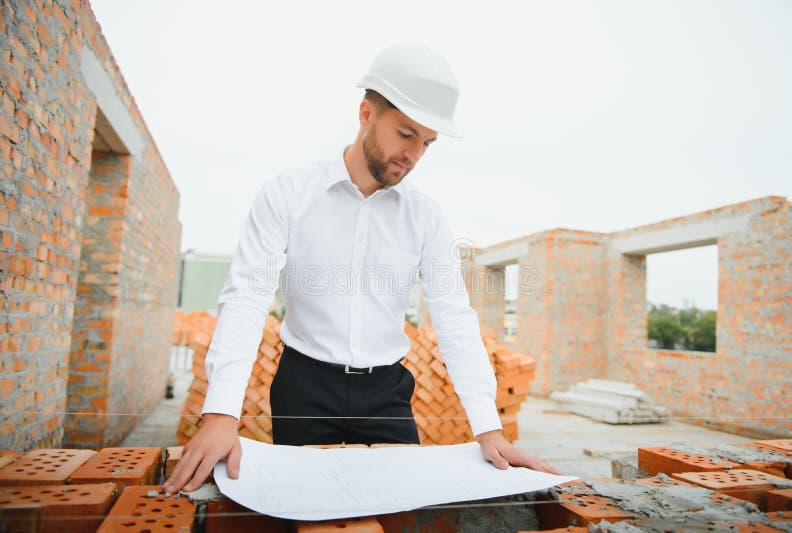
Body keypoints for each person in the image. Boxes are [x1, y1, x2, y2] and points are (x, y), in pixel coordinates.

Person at [164, 43, 559, 494]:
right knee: (307, 512)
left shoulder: (425, 217)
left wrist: (489, 429)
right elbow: (246, 299)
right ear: (366, 113)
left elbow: (453, 317)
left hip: (387, 394)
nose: (413, 154)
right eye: (405, 133)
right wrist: (220, 415)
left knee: (398, 513)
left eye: (427, 143)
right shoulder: (288, 194)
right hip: (303, 388)